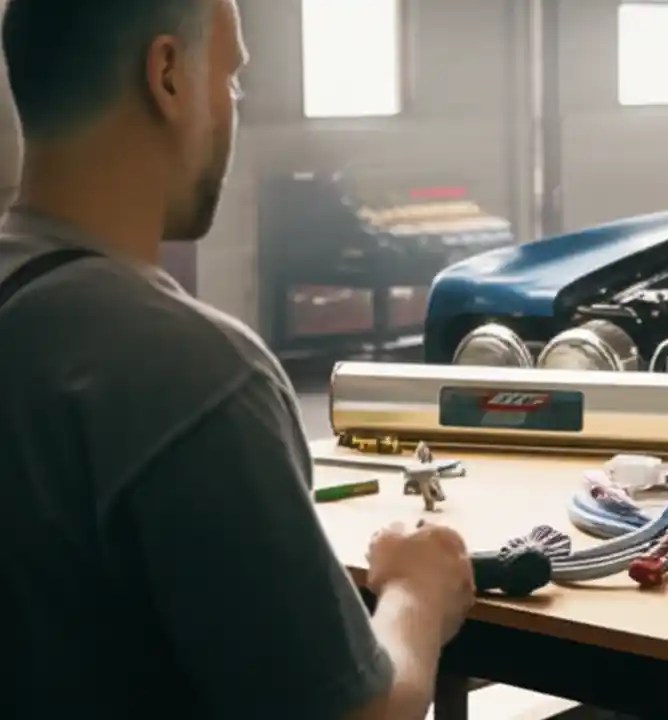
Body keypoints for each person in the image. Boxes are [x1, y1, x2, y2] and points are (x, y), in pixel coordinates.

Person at [0, 1, 475, 718]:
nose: (233, 109)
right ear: (166, 75)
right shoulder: (189, 370)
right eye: (231, 81)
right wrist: (416, 591)